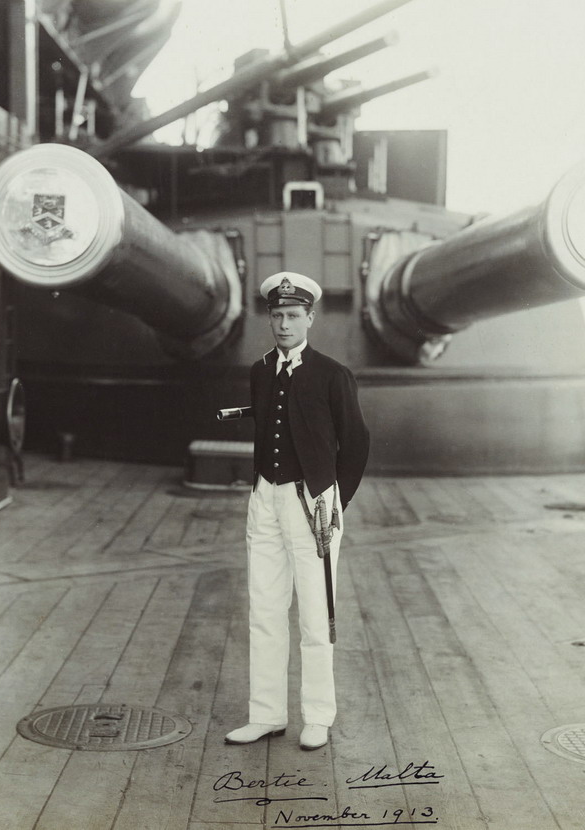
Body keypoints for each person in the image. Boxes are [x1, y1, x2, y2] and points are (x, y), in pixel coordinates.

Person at [225, 271, 369, 751]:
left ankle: (318, 716)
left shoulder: (332, 374)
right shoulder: (261, 370)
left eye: (292, 315)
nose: (284, 324)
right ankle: (266, 715)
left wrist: (335, 500)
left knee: (314, 614)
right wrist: (261, 490)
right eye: (277, 316)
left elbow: (357, 442)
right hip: (265, 497)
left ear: (310, 318)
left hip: (313, 504)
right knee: (264, 609)